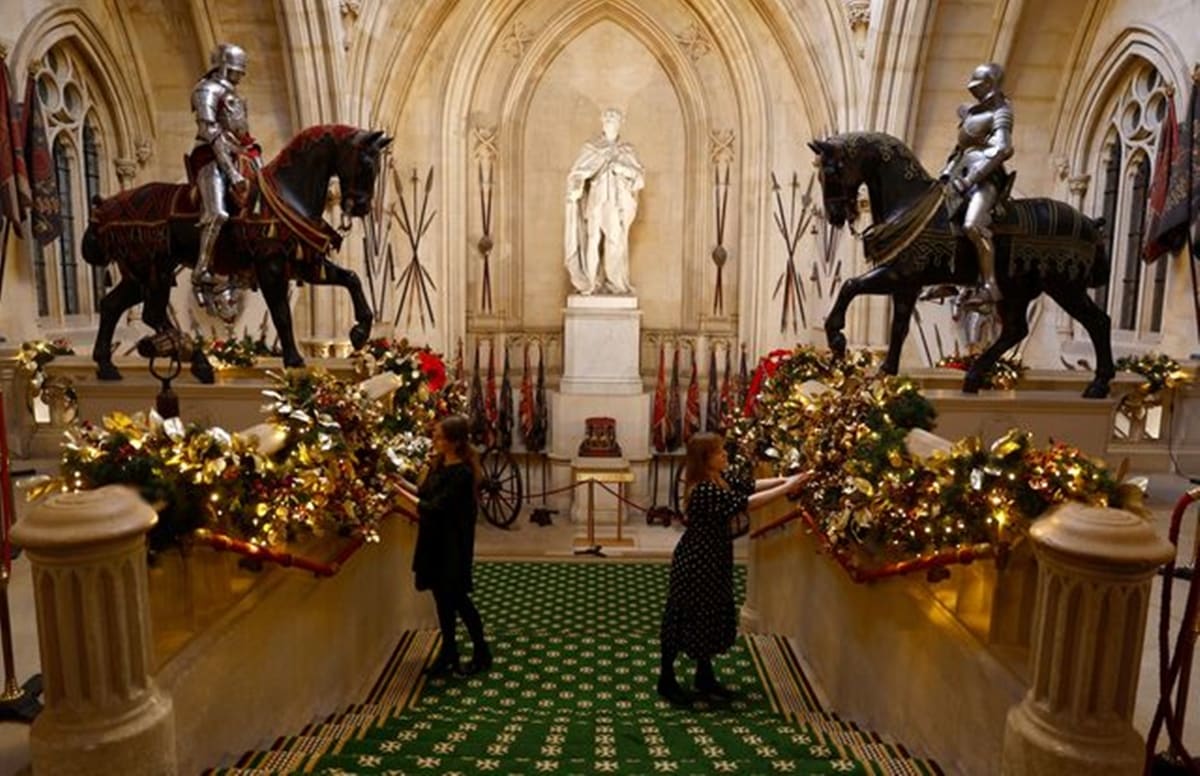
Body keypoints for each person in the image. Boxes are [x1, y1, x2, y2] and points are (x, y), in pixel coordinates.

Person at [657, 433, 808, 704]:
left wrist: (787, 480)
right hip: (697, 560)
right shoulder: (703, 488)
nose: (725, 455)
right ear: (706, 460)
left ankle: (705, 676)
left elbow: (751, 486)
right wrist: (787, 488)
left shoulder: (721, 478)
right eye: (719, 452)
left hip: (714, 557)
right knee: (685, 615)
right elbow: (746, 503)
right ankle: (666, 679)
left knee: (711, 614)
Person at [401, 415, 492, 676]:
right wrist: (399, 482)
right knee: (442, 600)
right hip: (434, 542)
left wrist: (399, 495)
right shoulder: (440, 464)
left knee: (458, 600)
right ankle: (449, 651)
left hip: (452, 544)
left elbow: (434, 507)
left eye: (439, 437)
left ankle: (481, 650)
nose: (435, 440)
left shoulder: (462, 473)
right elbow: (424, 493)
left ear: (453, 442)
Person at [189, 42, 259, 304]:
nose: (241, 75)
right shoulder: (206, 90)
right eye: (238, 69)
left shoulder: (235, 95)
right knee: (217, 213)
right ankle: (202, 270)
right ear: (225, 66)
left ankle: (242, 267)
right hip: (210, 156)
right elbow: (210, 131)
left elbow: (242, 134)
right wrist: (231, 172)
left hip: (236, 153)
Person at [939, 62, 1014, 303]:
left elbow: (1003, 148)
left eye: (979, 82)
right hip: (959, 177)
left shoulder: (1001, 111)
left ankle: (989, 285)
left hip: (986, 180)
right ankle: (950, 280)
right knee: (938, 220)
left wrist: (971, 179)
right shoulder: (971, 113)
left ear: (990, 83)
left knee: (973, 225)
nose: (973, 87)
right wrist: (946, 172)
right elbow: (959, 149)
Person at [563, 108, 645, 296]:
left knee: (614, 240)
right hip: (597, 197)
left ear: (621, 122)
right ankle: (590, 283)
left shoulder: (627, 150)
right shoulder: (591, 147)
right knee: (592, 238)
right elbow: (576, 174)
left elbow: (639, 177)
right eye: (607, 116)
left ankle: (616, 282)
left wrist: (622, 168)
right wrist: (575, 188)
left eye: (613, 117)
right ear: (601, 120)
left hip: (616, 203)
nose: (609, 119)